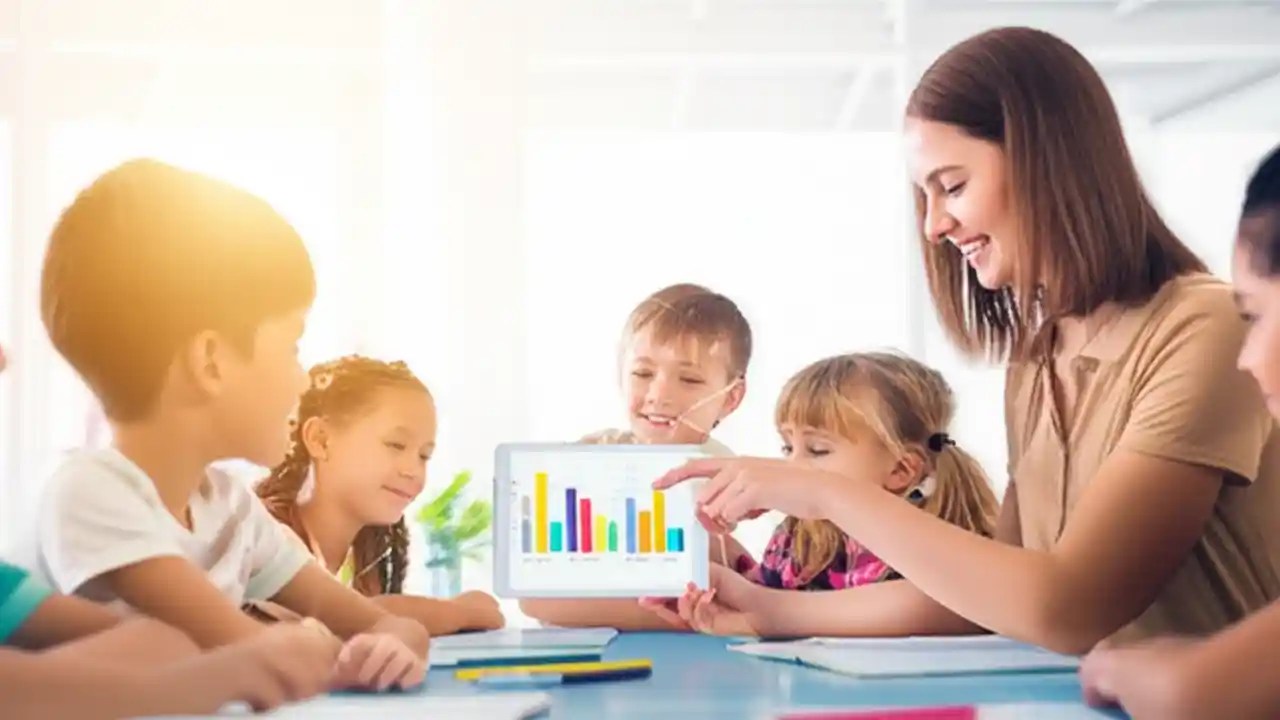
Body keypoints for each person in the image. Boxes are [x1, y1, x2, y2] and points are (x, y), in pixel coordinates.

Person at [655, 26, 1280, 654]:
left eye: (952, 187)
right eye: (925, 196)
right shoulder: (1038, 359)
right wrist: (768, 609)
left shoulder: (1205, 329)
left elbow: (1069, 607)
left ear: (1049, 161)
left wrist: (825, 492)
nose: (933, 226)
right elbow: (987, 595)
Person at [18, 158, 428, 691]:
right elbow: (246, 649)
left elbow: (380, 623)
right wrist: (315, 645)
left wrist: (394, 642)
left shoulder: (229, 508)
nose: (303, 382)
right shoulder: (89, 491)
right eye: (292, 346)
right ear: (211, 361)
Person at [1078, 145, 1280, 719]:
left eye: (1257, 315)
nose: (1246, 359)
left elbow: (1195, 696)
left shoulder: (1193, 325)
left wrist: (1123, 665)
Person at [642, 353, 998, 637]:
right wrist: (724, 596)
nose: (792, 467)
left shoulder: (939, 544)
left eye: (817, 450)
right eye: (787, 447)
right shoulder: (798, 539)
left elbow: (943, 606)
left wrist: (763, 612)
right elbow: (763, 602)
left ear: (901, 470)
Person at [520, 283, 752, 630]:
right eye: (642, 374)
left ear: (731, 398)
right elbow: (537, 592)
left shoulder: (726, 474)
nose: (658, 395)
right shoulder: (590, 454)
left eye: (688, 379)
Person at [256, 355, 504, 635]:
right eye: (396, 445)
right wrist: (458, 612)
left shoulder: (368, 553)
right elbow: (347, 617)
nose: (414, 471)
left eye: (424, 456)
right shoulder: (266, 535)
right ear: (321, 440)